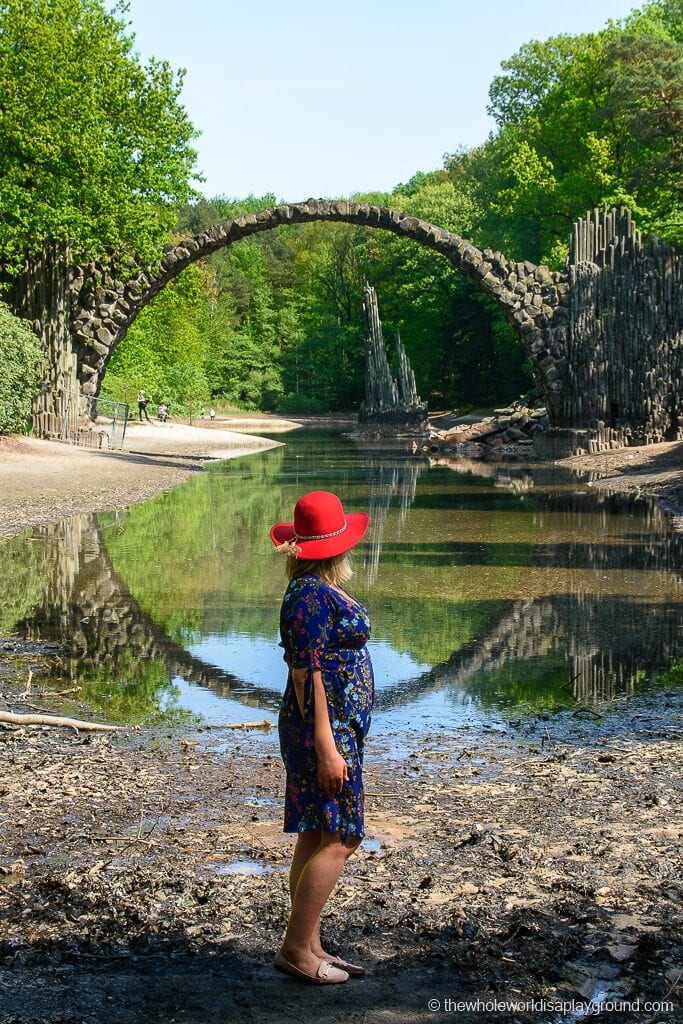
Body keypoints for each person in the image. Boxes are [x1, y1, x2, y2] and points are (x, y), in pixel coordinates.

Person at [269, 490, 373, 986]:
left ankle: (307, 942)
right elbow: (304, 675)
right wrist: (328, 746)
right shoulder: (310, 595)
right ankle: (294, 947)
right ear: (337, 546)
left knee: (316, 831)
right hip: (322, 734)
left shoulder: (315, 589)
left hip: (331, 730)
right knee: (342, 835)